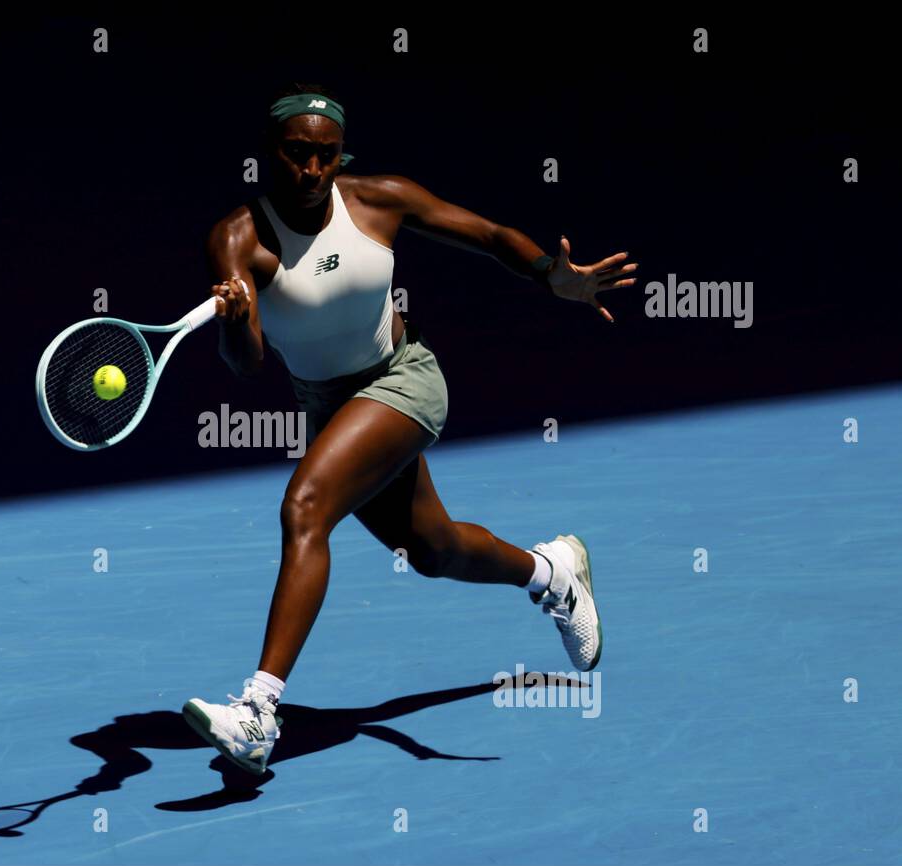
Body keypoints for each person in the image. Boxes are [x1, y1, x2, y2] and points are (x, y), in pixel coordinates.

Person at [182, 82, 636, 775]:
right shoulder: (236, 239)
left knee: (305, 508)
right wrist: (239, 319)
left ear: (341, 159)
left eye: (325, 157)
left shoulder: (378, 200)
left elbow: (486, 235)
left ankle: (258, 712)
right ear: (271, 153)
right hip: (329, 406)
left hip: (403, 380)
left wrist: (551, 274)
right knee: (434, 549)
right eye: (296, 154)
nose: (310, 171)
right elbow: (245, 367)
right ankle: (554, 574)